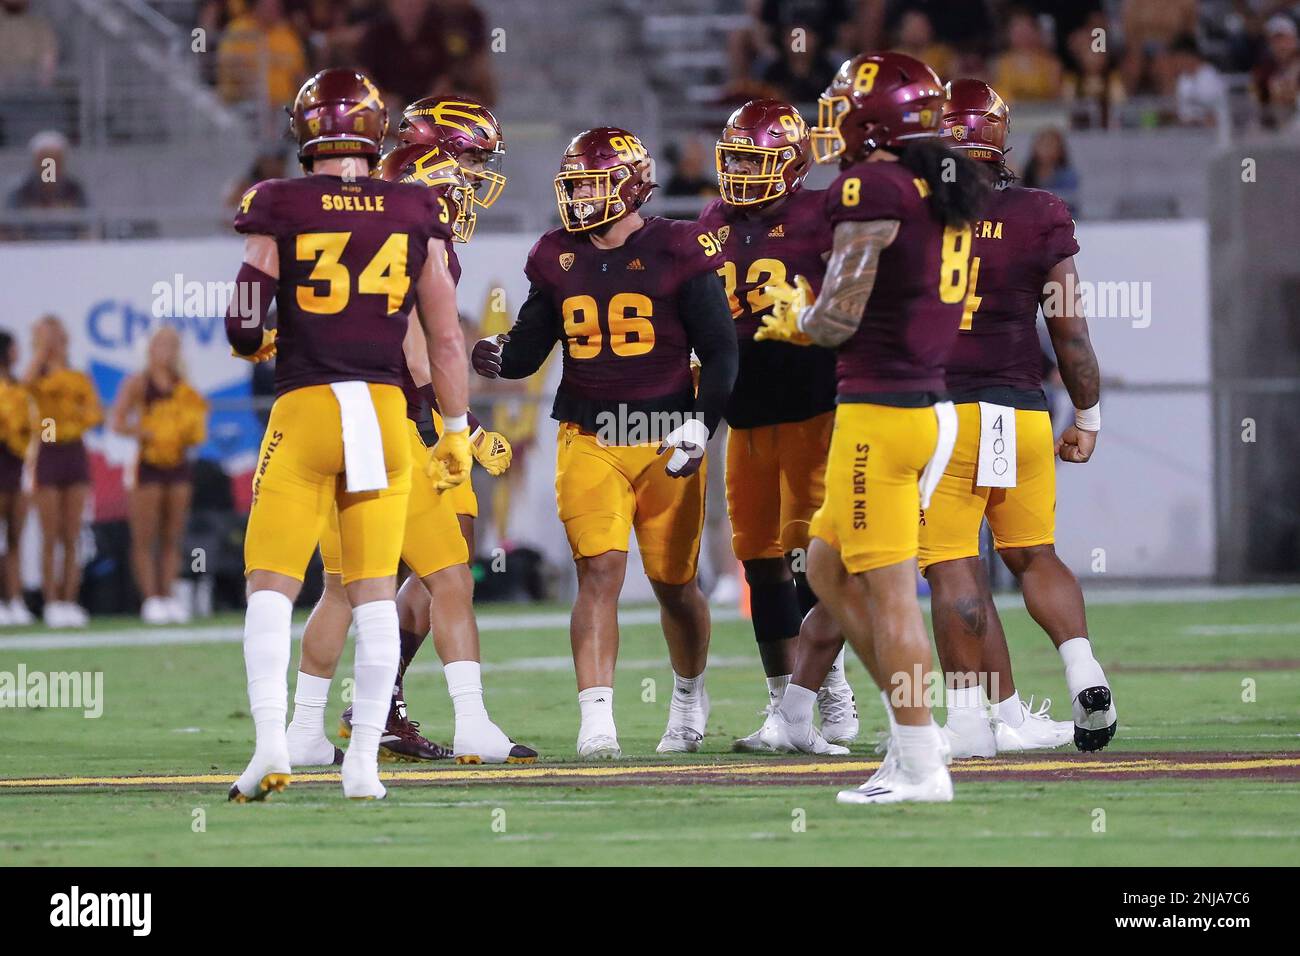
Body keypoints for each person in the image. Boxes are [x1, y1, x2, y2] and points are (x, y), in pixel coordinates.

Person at [224, 68, 472, 802]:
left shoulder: (279, 200)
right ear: (374, 131)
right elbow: (447, 336)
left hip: (306, 410)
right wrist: (454, 429)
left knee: (272, 584)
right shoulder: (413, 205)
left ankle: (274, 741)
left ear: (304, 131)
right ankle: (361, 762)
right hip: (384, 415)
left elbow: (243, 317)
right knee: (371, 593)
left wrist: (254, 344)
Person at [756, 52, 990, 804]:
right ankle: (911, 730)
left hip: (880, 414)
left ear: (873, 116)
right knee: (825, 569)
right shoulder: (941, 180)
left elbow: (839, 316)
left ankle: (922, 759)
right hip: (924, 405)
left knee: (891, 597)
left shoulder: (874, 184)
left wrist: (799, 319)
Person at [473, 127, 738, 758]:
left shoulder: (679, 246)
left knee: (675, 583)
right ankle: (598, 721)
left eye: (592, 183)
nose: (580, 197)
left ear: (631, 185)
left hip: (666, 436)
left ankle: (687, 695)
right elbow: (528, 352)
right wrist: (493, 355)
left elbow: (722, 353)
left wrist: (703, 424)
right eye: (574, 185)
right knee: (598, 572)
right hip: (589, 436)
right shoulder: (555, 256)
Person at [287, 127, 533, 768]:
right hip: (401, 425)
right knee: (450, 574)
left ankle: (303, 732)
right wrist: (466, 429)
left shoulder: (340, 232)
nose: (468, 193)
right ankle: (470, 723)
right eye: (462, 175)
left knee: (341, 586)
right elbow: (425, 352)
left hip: (326, 419)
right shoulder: (417, 240)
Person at [922, 79, 1116, 756]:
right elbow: (1072, 335)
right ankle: (1083, 670)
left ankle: (970, 723)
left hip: (940, 413)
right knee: (1033, 554)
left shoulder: (912, 212)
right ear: (1001, 138)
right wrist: (1087, 414)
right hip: (1018, 412)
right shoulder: (1039, 212)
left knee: (952, 566)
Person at [697, 99, 857, 753]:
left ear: (790, 166)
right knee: (759, 564)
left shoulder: (821, 217)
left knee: (812, 565)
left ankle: (833, 694)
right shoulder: (713, 220)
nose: (738, 172)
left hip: (815, 411)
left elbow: (853, 303)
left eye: (753, 160)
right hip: (747, 420)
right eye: (733, 158)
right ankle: (778, 707)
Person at [110, 326, 207, 626]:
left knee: (173, 535)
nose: (167, 350)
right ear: (149, 349)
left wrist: (186, 432)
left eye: (173, 344)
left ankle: (168, 596)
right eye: (161, 344)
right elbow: (117, 422)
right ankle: (150, 598)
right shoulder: (138, 383)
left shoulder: (184, 386)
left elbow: (195, 426)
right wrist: (148, 431)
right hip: (147, 466)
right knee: (145, 535)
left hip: (177, 465)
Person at [25, 315, 100, 629]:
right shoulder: (36, 375)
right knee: (50, 533)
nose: (53, 343)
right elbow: (25, 387)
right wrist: (41, 354)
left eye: (57, 337)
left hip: (73, 451)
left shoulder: (77, 376)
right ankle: (51, 601)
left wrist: (76, 419)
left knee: (72, 535)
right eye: (46, 337)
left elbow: (94, 412)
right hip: (47, 449)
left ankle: (70, 600)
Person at [0, 329, 35, 626]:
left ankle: (15, 599)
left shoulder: (21, 387)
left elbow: (40, 425)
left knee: (14, 538)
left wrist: (36, 439)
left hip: (16, 468)